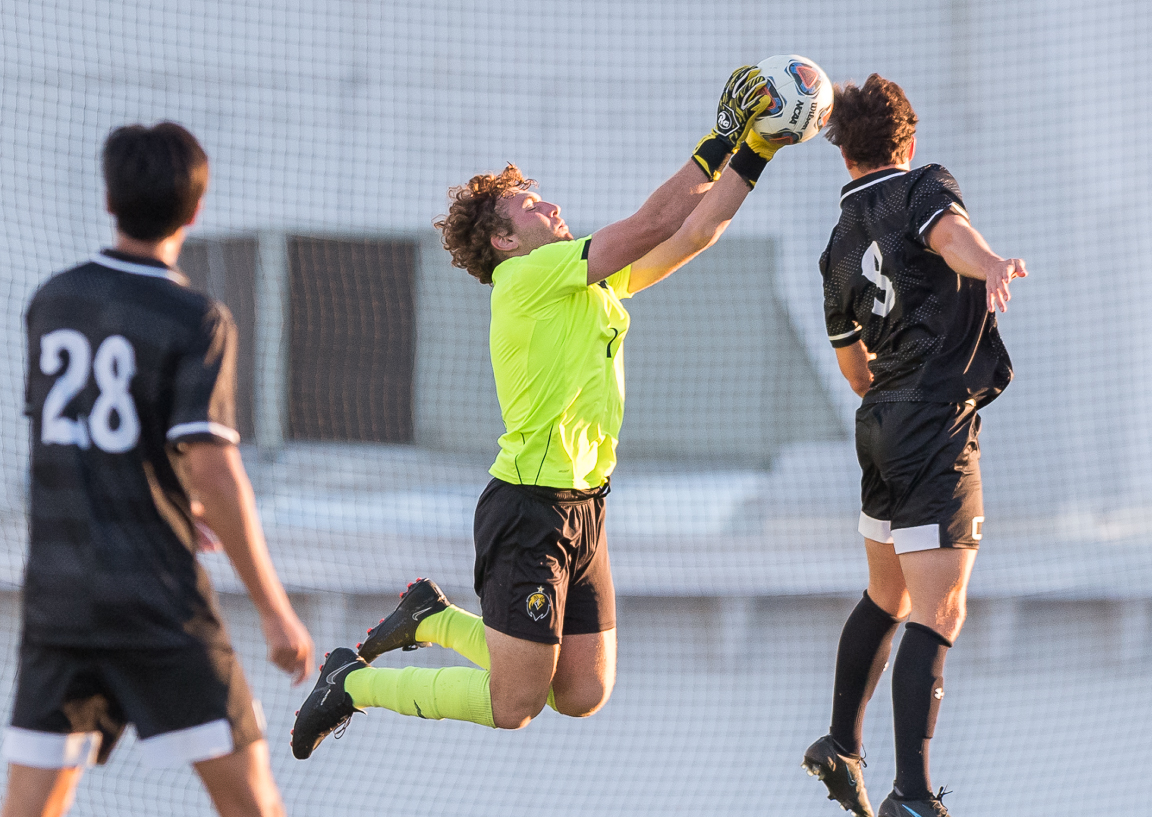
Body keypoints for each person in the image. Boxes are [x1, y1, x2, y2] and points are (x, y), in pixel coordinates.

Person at [0, 122, 440, 817]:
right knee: (254, 810)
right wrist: (279, 611)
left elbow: (88, 448)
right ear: (196, 210)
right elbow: (212, 463)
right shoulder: (195, 318)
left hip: (59, 601)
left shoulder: (50, 302)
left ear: (108, 198)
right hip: (156, 604)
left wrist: (168, 499)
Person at [289, 66, 792, 755]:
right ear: (503, 240)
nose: (548, 206)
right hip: (529, 507)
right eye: (530, 205)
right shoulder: (525, 276)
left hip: (585, 503)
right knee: (515, 704)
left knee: (583, 692)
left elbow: (691, 233)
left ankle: (430, 615)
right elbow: (653, 220)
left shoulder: (583, 279)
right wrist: (722, 137)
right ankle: (351, 684)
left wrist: (757, 151)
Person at [799, 75, 1025, 817]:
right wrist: (990, 262)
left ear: (843, 151)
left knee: (887, 591)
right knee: (941, 608)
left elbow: (855, 370)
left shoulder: (833, 246)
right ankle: (914, 792)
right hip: (934, 422)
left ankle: (839, 740)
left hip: (880, 420)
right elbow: (945, 232)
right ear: (908, 143)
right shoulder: (923, 187)